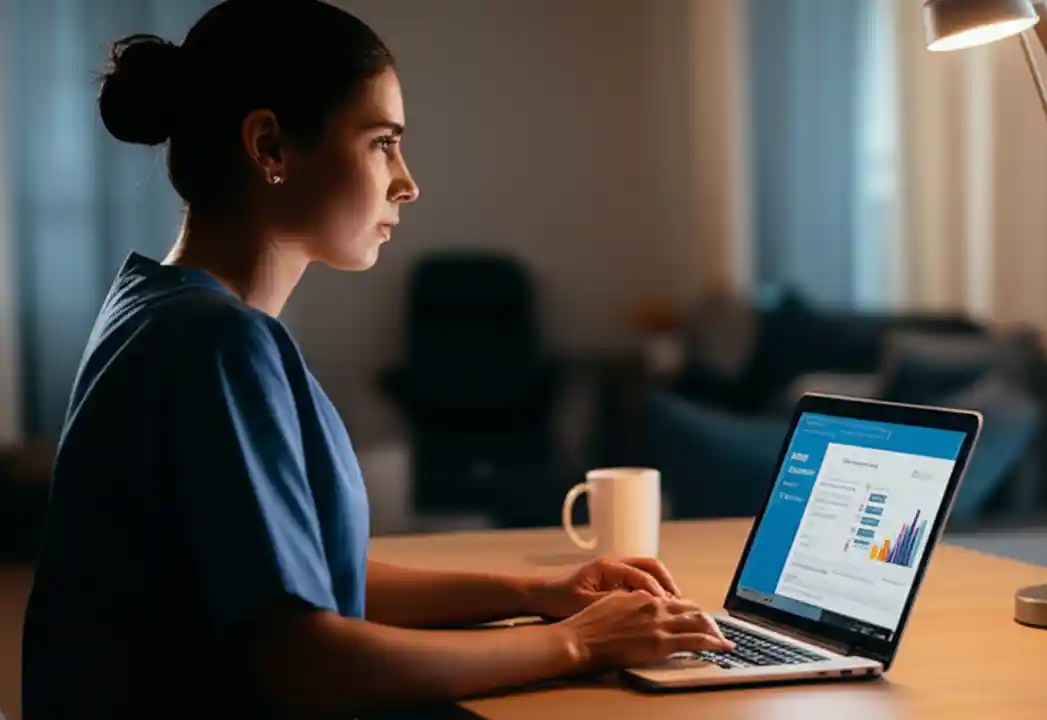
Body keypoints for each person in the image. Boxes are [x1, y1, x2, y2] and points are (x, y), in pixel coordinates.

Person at [20, 1, 733, 716]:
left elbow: (307, 580)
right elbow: (310, 661)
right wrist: (581, 643)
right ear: (269, 146)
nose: (407, 182)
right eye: (381, 143)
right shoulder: (219, 343)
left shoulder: (155, 305)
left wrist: (538, 594)